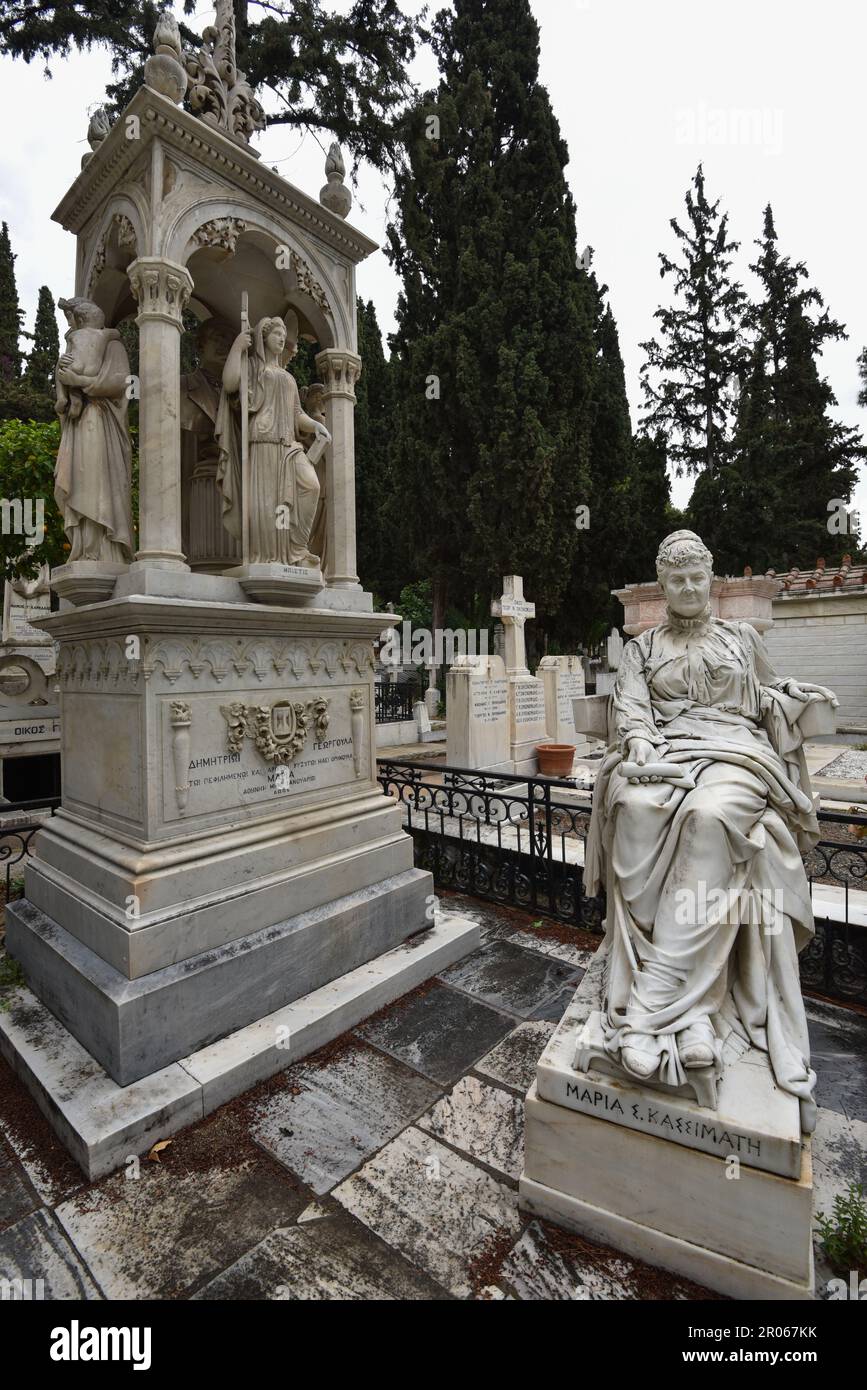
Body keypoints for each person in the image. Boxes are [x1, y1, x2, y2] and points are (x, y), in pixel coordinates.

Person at [584, 530, 836, 1128]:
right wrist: (642, 747)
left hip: (734, 753)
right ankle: (689, 1015)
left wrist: (793, 695)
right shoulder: (643, 650)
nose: (690, 588)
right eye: (678, 580)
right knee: (639, 810)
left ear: (711, 577)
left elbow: (769, 697)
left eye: (698, 577)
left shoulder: (739, 638)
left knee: (707, 817)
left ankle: (651, 1012)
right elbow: (632, 710)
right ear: (663, 584)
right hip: (670, 751)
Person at [216, 311, 329, 566]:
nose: (281, 339)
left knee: (311, 486)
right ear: (264, 337)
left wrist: (316, 427)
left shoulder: (288, 377)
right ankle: (267, 558)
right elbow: (231, 383)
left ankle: (296, 551)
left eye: (284, 335)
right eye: (277, 334)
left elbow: (297, 414)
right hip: (263, 440)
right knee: (268, 504)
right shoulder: (253, 367)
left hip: (288, 444)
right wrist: (237, 348)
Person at [53, 297, 133, 563]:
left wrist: (79, 381)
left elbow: (120, 381)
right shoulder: (75, 346)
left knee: (97, 480)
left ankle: (104, 549)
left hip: (101, 419)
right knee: (80, 480)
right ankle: (84, 548)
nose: (70, 328)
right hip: (80, 422)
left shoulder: (112, 345)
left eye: (71, 320)